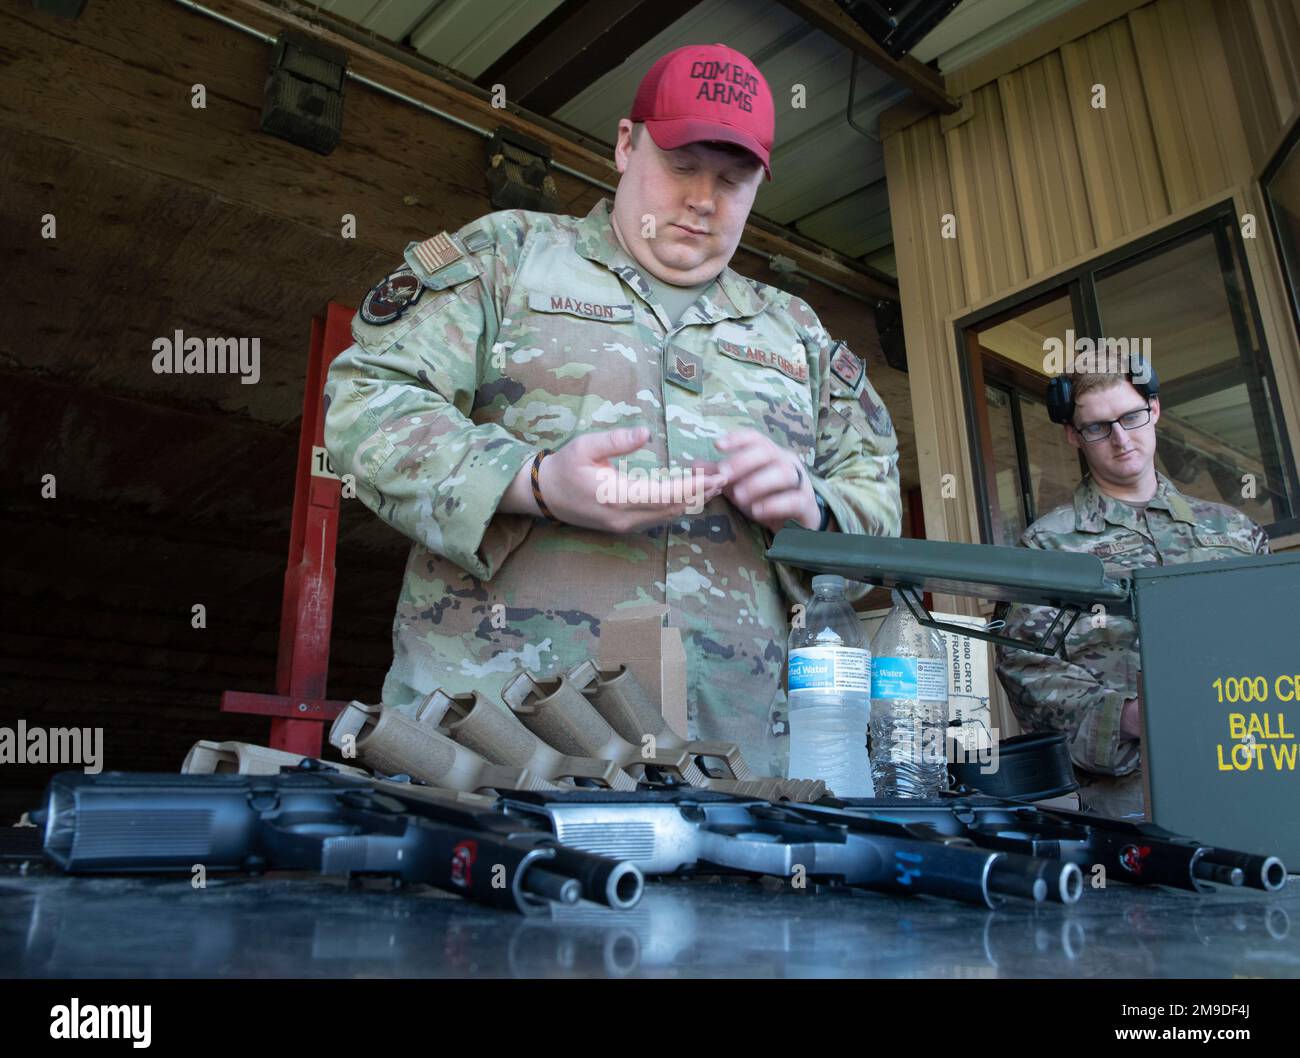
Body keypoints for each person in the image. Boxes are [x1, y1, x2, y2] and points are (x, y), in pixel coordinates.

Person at [323, 44, 902, 777]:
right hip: (495, 749)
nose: (703, 199)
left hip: (739, 764)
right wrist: (530, 482)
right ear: (627, 146)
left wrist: (813, 510)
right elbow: (365, 399)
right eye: (683, 165)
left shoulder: (797, 334)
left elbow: (876, 496)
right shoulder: (507, 258)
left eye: (733, 179)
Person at [995, 367, 1269, 817]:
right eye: (1098, 427)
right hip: (1129, 798)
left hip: (1252, 766)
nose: (1121, 439)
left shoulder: (1237, 533)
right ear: (1073, 435)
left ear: (1154, 410)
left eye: (1131, 417)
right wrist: (1126, 717)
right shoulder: (1049, 546)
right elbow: (1025, 665)